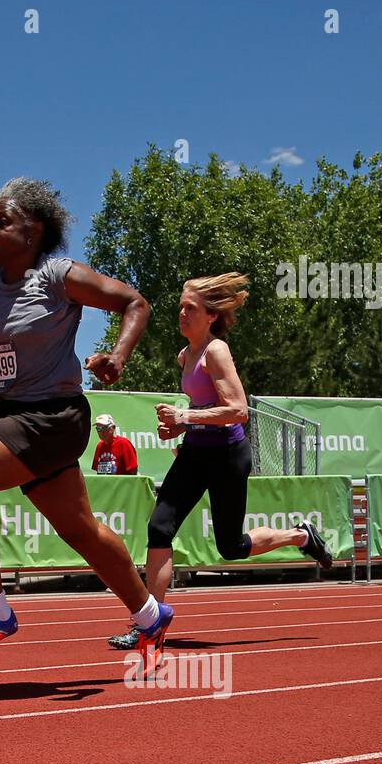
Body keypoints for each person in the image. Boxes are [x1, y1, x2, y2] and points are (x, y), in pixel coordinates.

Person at [0, 177, 174, 669]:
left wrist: (118, 355)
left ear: (33, 232)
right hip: (16, 416)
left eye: (2, 223)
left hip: (55, 417)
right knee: (81, 532)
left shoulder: (58, 276)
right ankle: (151, 615)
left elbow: (135, 302)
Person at [108, 274, 333, 650]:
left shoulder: (216, 351)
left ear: (211, 316)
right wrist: (178, 428)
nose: (182, 314)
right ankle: (149, 623)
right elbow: (203, 408)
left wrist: (184, 417)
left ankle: (300, 536)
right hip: (195, 452)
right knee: (159, 528)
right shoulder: (185, 355)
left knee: (231, 547)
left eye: (190, 308)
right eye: (180, 307)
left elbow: (238, 410)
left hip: (228, 455)